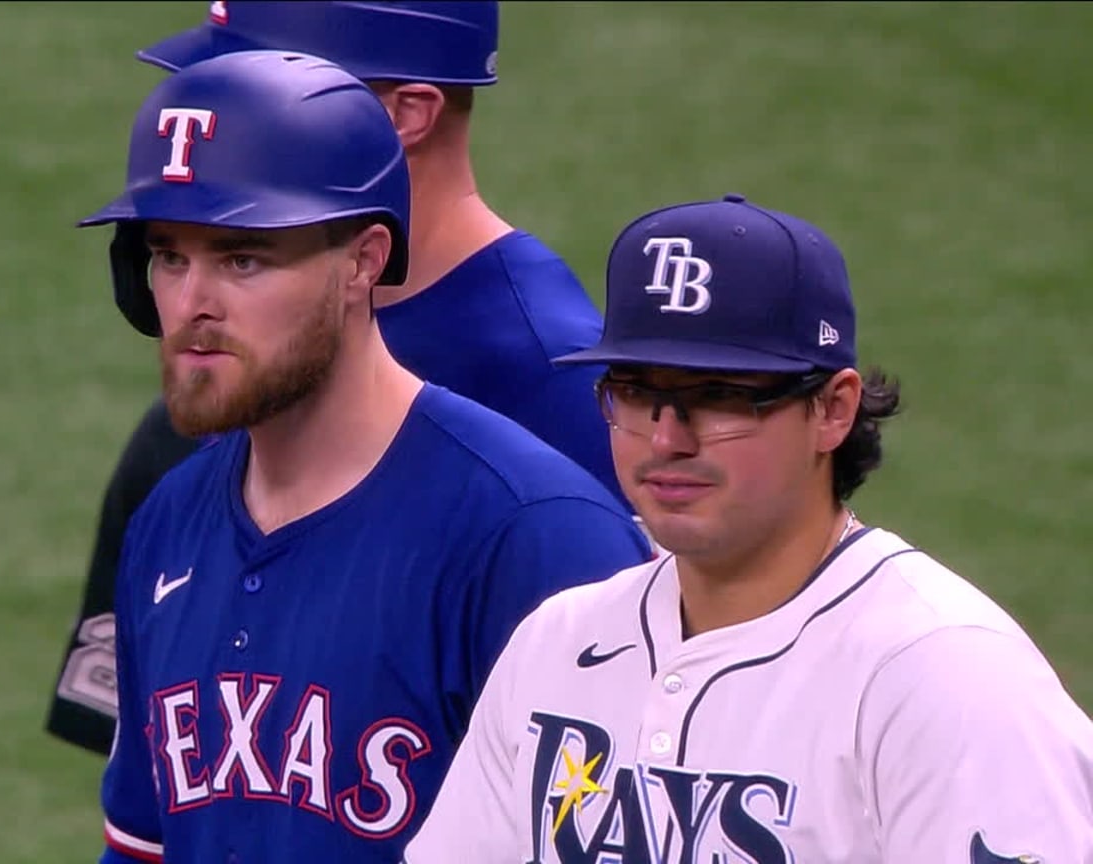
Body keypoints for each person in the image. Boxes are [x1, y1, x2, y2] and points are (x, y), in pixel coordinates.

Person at [75, 49, 652, 863]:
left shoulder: (535, 539)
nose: (194, 305)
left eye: (242, 257)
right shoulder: (171, 521)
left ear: (364, 261)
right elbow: (141, 847)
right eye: (171, 256)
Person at [401, 193, 1093, 862]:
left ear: (832, 409)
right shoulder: (557, 642)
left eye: (719, 397)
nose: (667, 438)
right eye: (638, 393)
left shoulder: (941, 674)